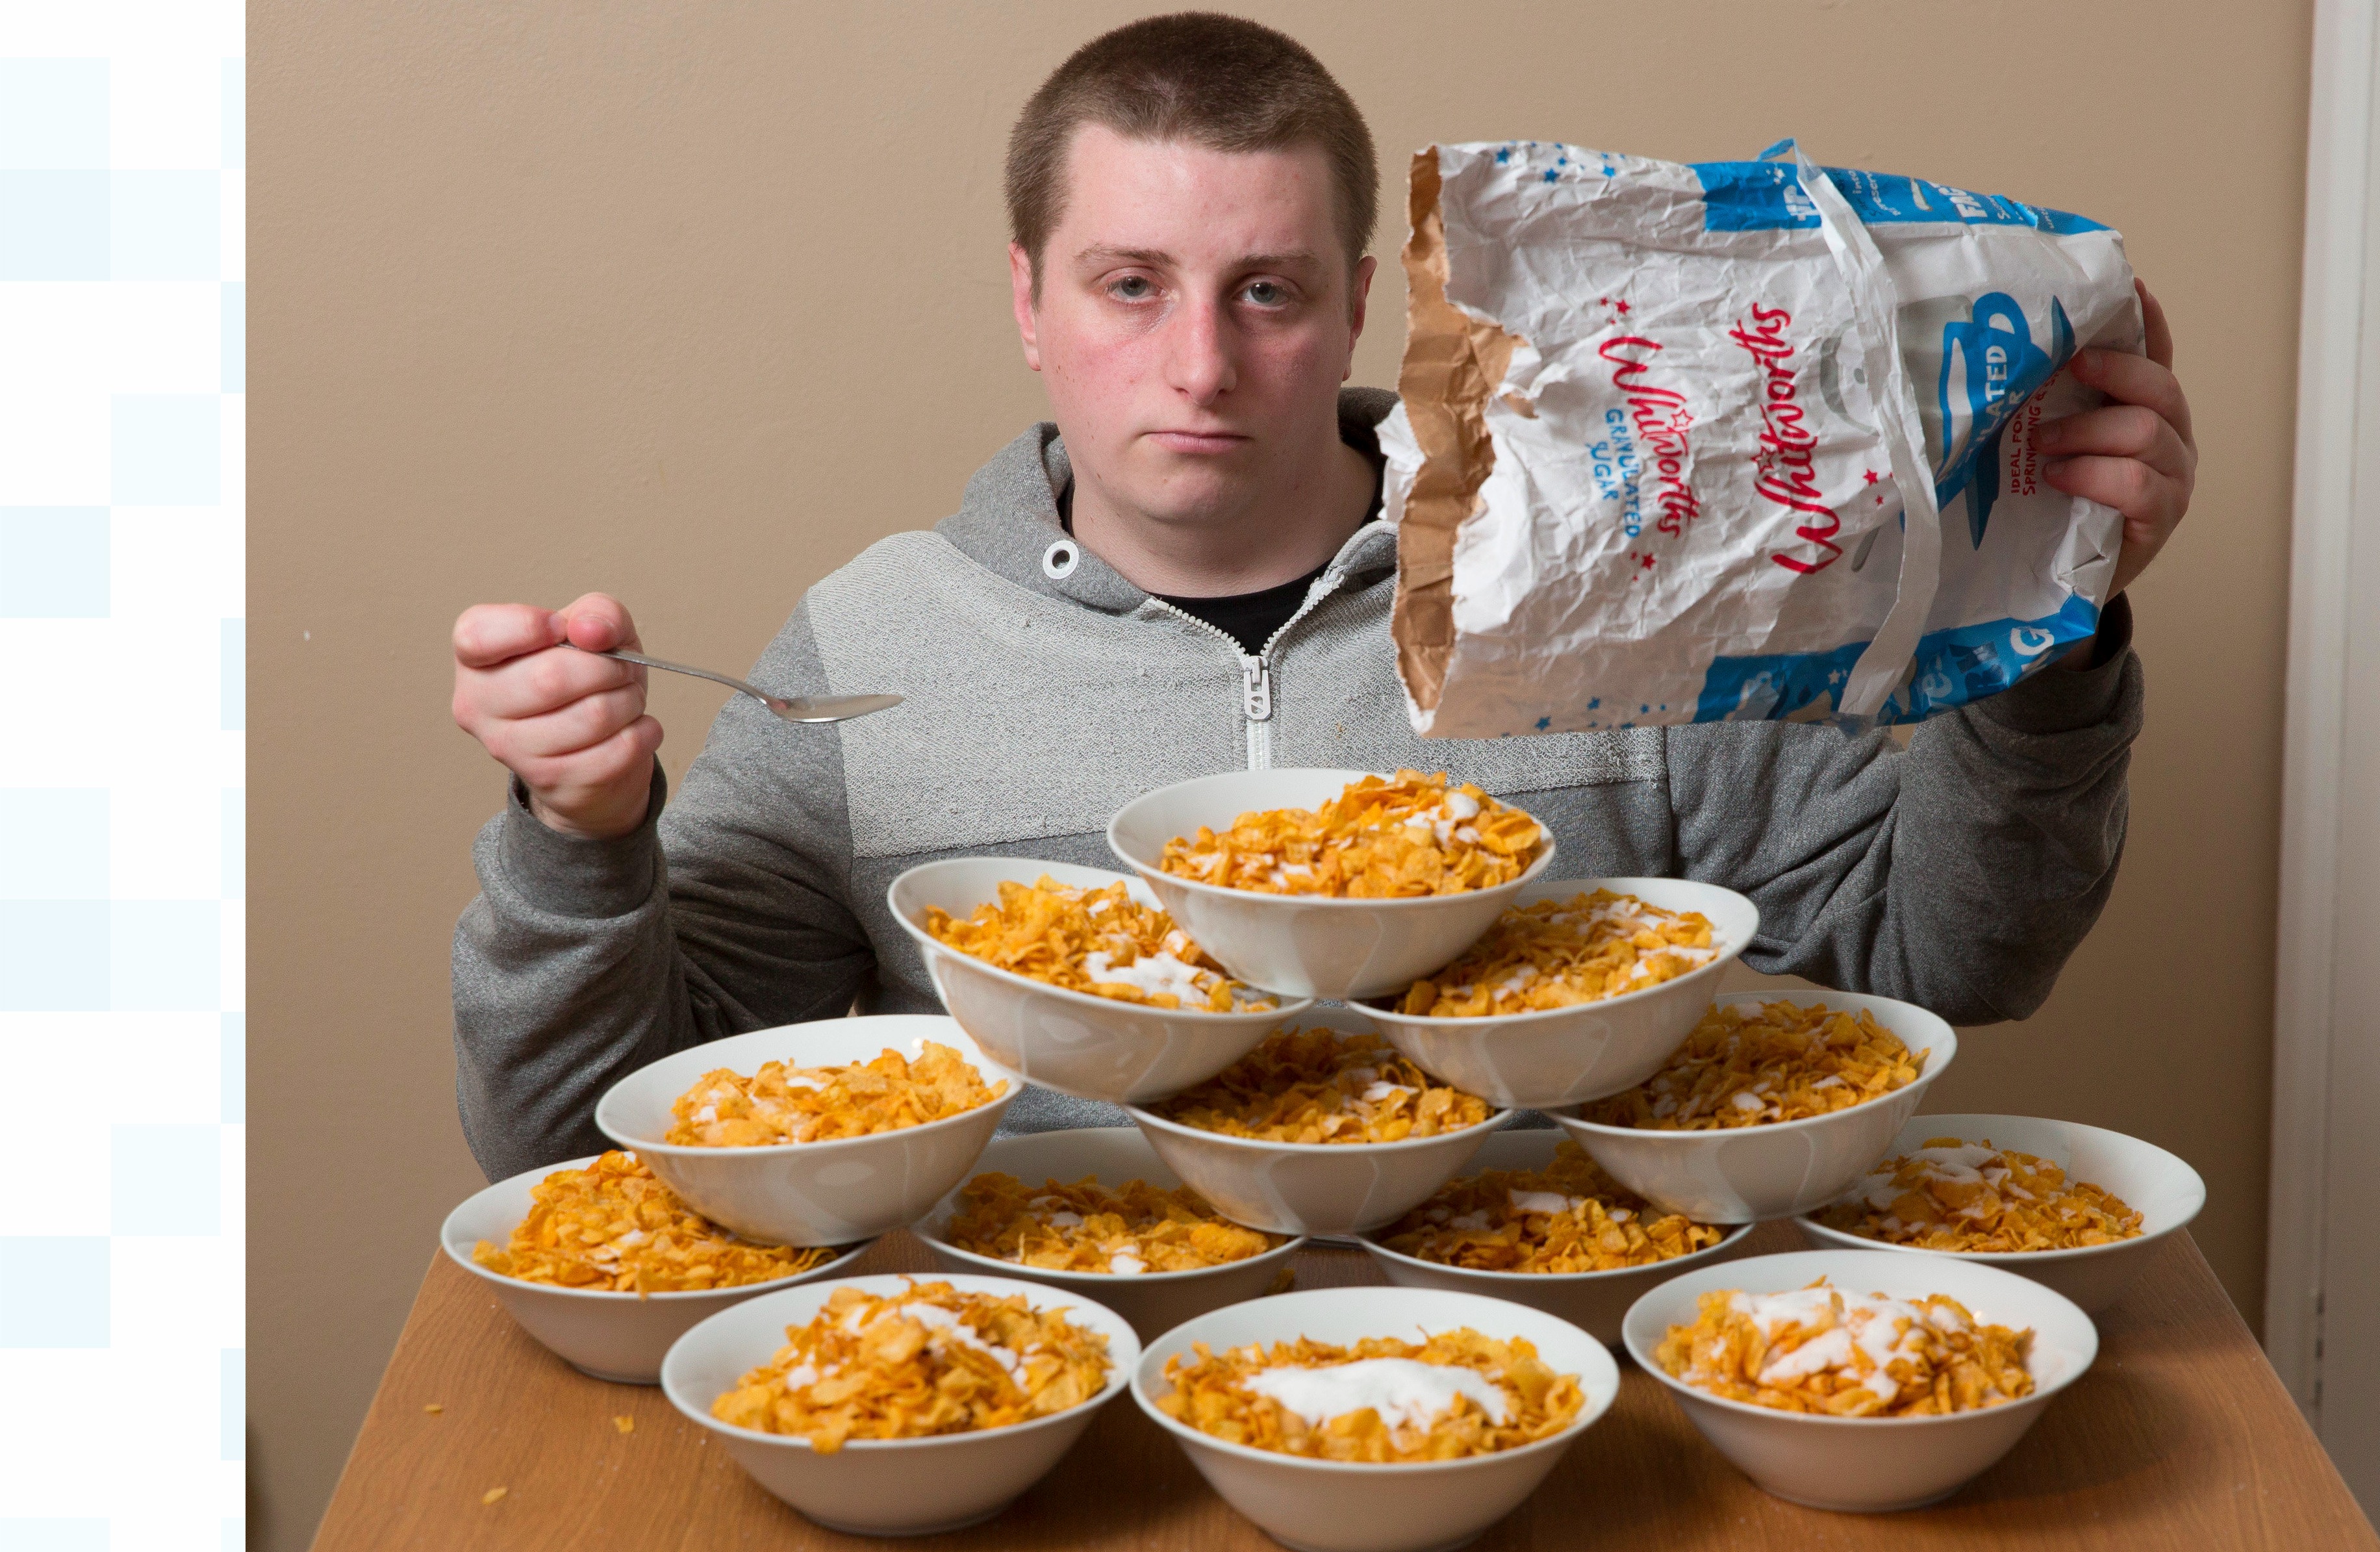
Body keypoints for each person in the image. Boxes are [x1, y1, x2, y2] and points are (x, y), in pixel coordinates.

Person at [446, 13, 2196, 1182]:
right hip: (1053, 1406)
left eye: (1265, 291)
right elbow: (574, 1148)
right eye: (1129, 284)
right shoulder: (867, 647)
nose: (1198, 365)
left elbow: (1949, 960)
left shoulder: (1614, 582)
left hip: (1549, 1380)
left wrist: (2043, 626)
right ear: (1026, 300)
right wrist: (578, 832)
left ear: (1357, 305)